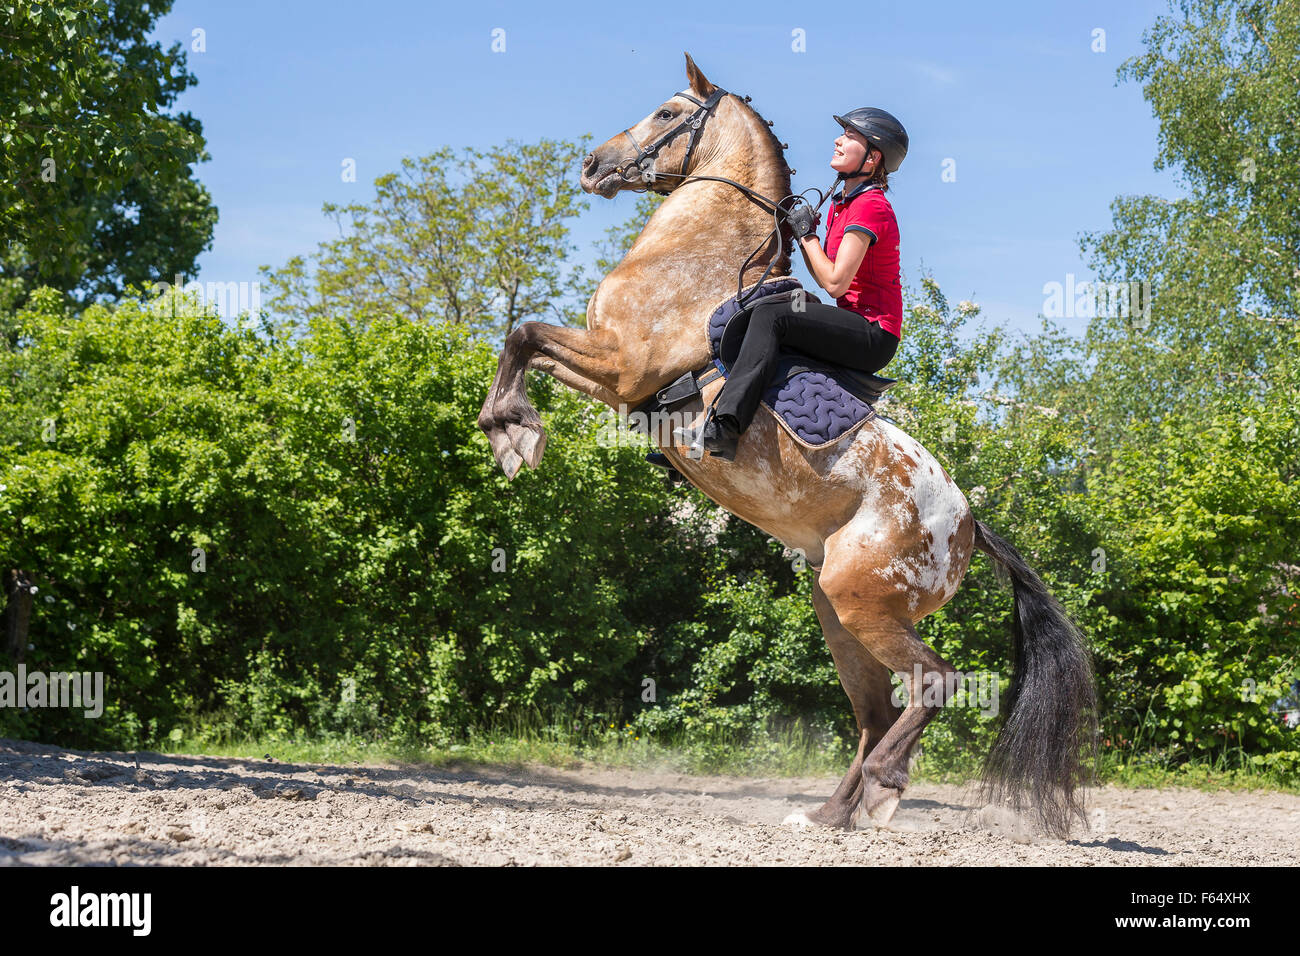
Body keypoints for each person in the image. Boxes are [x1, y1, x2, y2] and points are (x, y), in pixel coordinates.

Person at [697, 107, 908, 461]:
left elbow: (836, 283)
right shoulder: (844, 204)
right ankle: (704, 405)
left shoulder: (872, 207)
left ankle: (727, 426)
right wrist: (799, 230)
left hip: (874, 333)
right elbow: (823, 277)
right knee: (765, 308)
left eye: (850, 137)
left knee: (773, 318)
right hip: (853, 321)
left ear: (871, 159)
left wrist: (807, 233)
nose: (838, 140)